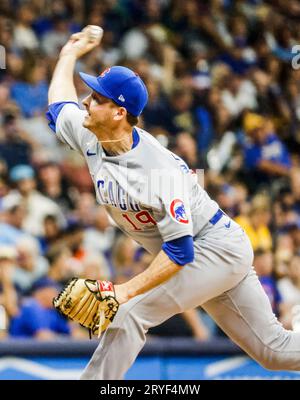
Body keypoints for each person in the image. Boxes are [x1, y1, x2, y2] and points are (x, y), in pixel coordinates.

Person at [46, 26, 300, 380]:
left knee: (130, 312)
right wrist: (68, 55)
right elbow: (59, 106)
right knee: (275, 352)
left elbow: (181, 252)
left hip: (213, 247)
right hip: (209, 249)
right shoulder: (91, 133)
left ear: (119, 112)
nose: (87, 102)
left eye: (97, 98)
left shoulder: (158, 170)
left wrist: (122, 291)